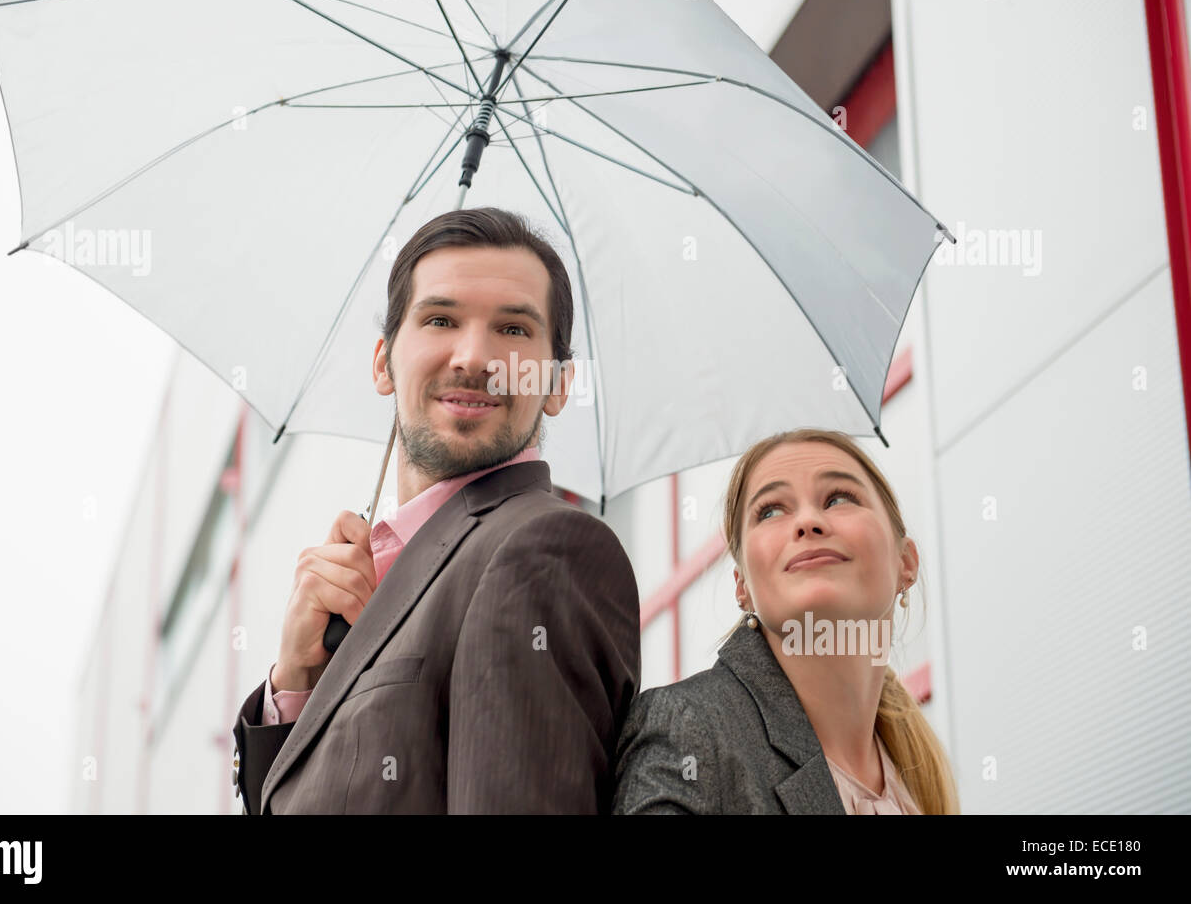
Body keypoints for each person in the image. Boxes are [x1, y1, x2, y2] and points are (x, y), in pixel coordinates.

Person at [231, 207, 640, 814]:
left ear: (557, 385)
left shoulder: (545, 550)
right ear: (382, 363)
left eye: (513, 330)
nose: (473, 357)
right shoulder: (369, 577)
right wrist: (296, 683)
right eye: (441, 318)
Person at [613, 428, 959, 814]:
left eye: (839, 498)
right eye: (770, 511)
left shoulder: (920, 779)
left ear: (905, 562)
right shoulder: (689, 730)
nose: (808, 522)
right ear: (742, 585)